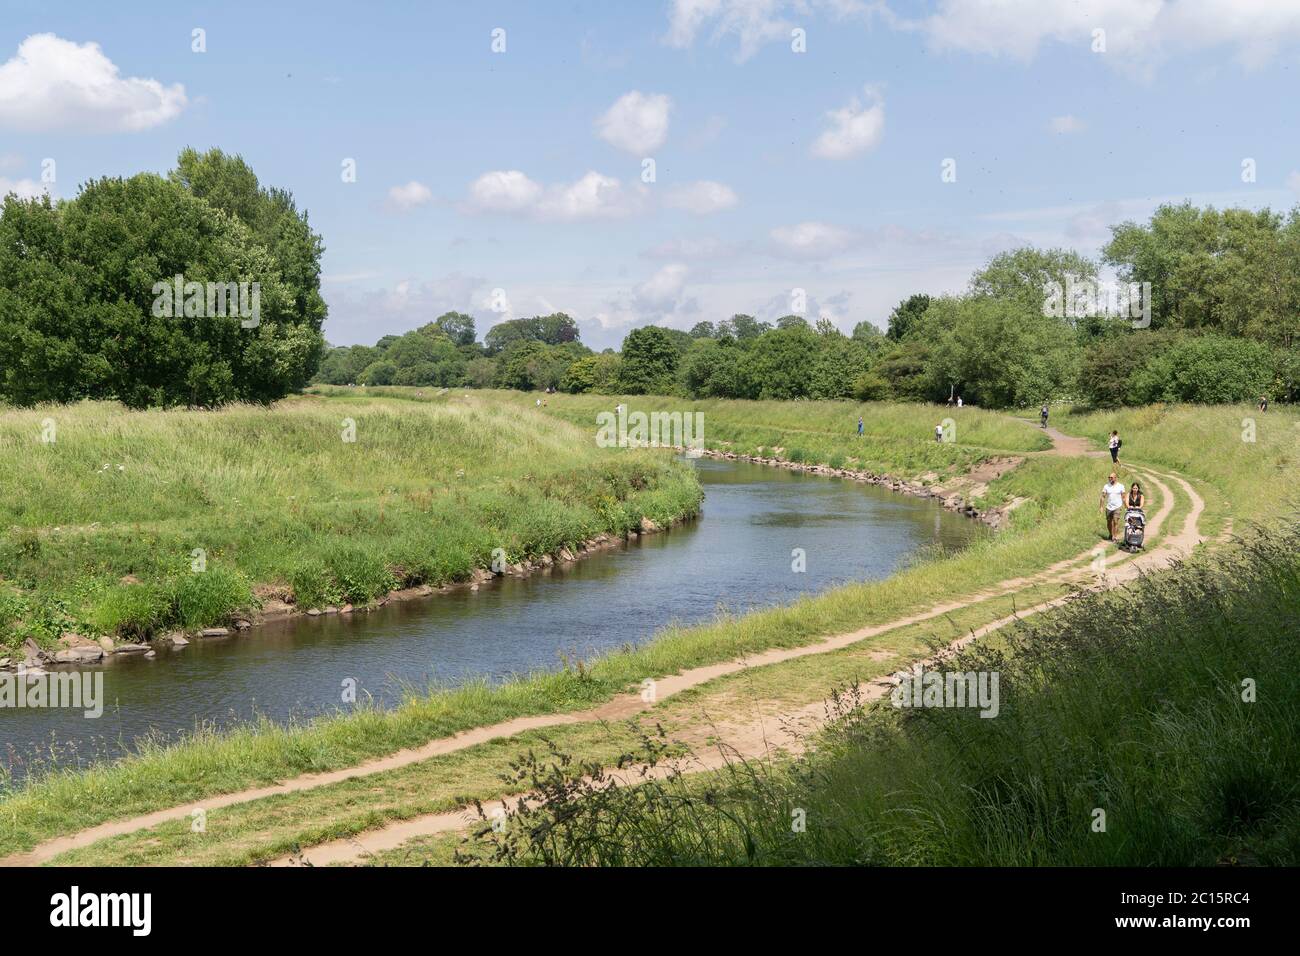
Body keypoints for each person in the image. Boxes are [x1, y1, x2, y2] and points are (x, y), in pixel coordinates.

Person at [1101, 472, 1126, 541]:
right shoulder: (1106, 486)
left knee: (1115, 522)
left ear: (1115, 478)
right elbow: (1103, 497)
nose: (1110, 479)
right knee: (1109, 522)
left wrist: (1126, 506)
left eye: (1111, 477)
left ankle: (1115, 536)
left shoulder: (1121, 486)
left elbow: (1123, 497)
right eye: (1109, 477)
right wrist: (1101, 507)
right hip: (1109, 507)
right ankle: (1110, 534)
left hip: (1117, 507)